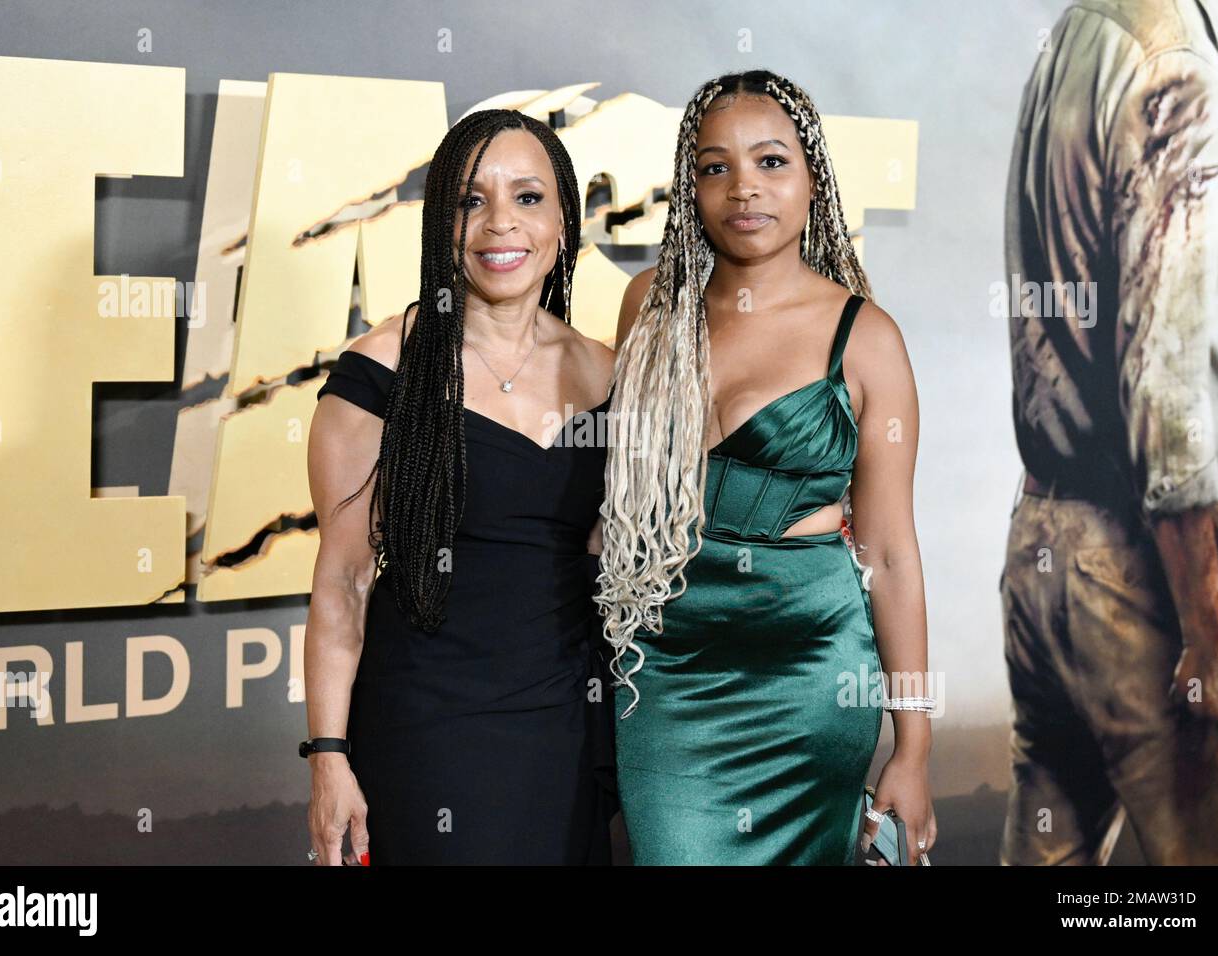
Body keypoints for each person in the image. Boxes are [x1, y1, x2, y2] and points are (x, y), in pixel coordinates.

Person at [596, 69, 935, 865]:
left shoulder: (867, 336)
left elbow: (889, 554)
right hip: (663, 663)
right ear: (690, 189)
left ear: (814, 179)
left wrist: (913, 746)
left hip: (808, 669)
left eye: (772, 162)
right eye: (715, 167)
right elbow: (616, 495)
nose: (744, 189)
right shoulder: (649, 303)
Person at [303, 109, 618, 865]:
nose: (498, 224)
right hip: (425, 729)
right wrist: (327, 755)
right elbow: (342, 581)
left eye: (528, 198)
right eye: (470, 201)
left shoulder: (612, 374)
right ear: (440, 224)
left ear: (566, 225)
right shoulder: (378, 373)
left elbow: (621, 552)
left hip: (569, 727)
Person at [1001, 0, 1218, 864]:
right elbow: (1168, 385)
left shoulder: (1084, 28)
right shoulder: (1175, 61)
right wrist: (1209, 641)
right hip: (1135, 569)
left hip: (1040, 540)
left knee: (1047, 854)